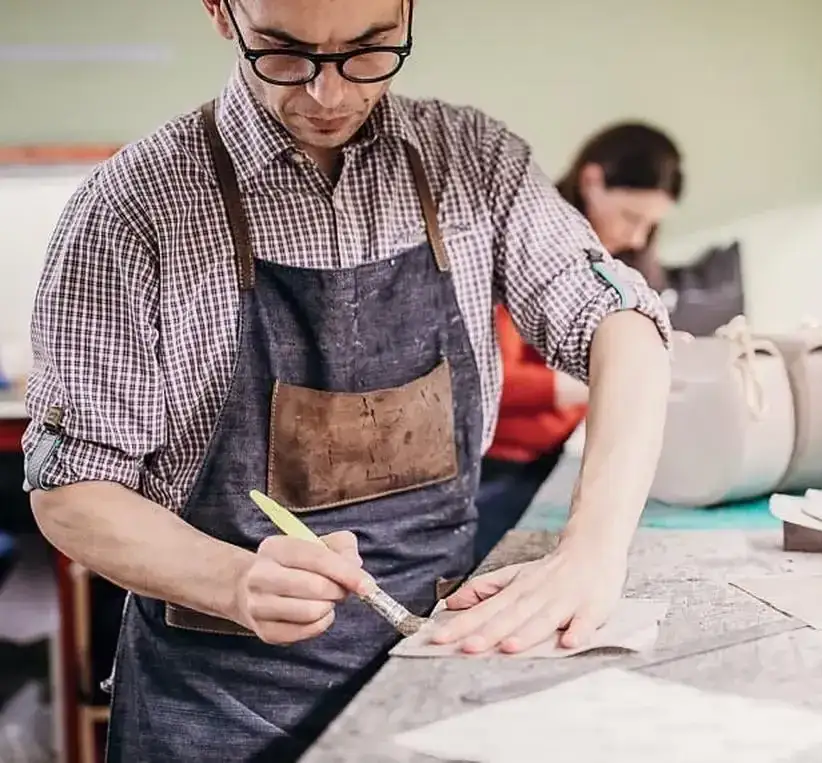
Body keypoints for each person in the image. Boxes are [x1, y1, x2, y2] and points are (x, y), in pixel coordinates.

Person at [21, 2, 671, 761]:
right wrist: (232, 579)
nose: (328, 95)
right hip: (217, 708)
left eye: (367, 51)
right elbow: (70, 492)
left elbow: (623, 322)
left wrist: (592, 550)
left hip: (435, 666)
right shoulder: (132, 209)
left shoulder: (473, 162)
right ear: (221, 11)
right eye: (284, 52)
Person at [475, 123, 683, 563]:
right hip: (499, 473)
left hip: (550, 455)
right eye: (631, 217)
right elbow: (497, 381)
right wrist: (610, 380)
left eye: (650, 224)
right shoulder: (524, 253)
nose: (638, 238)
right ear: (591, 181)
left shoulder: (617, 266)